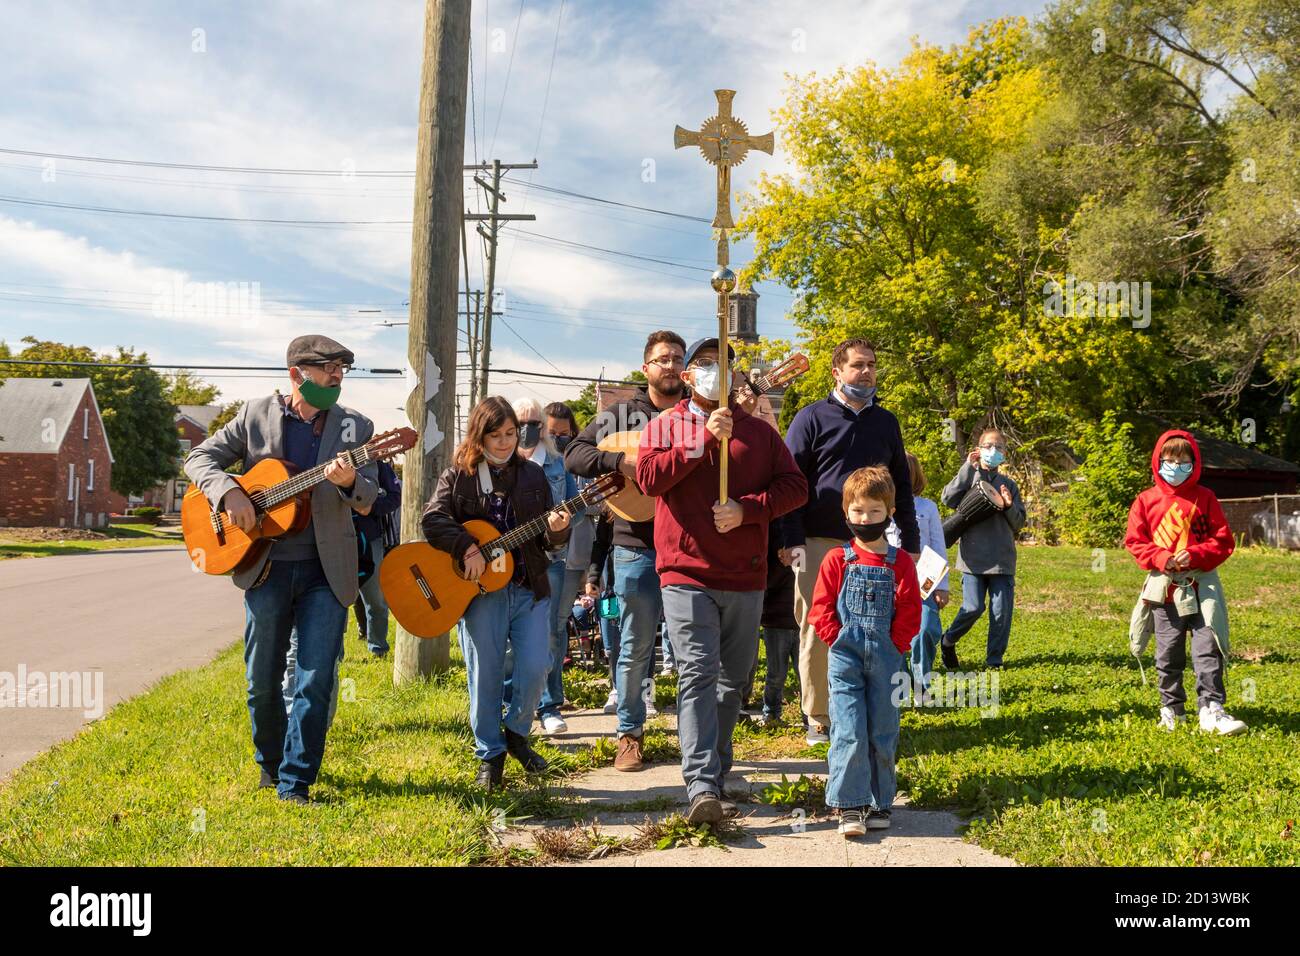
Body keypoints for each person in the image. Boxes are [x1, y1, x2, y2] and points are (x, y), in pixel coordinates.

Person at [184, 334, 378, 805]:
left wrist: (351, 481)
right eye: (327, 368)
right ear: (297, 374)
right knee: (262, 679)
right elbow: (199, 458)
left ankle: (296, 782)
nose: (336, 376)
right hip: (264, 567)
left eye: (341, 369)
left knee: (315, 678)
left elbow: (372, 498)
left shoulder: (357, 426)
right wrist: (228, 493)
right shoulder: (255, 415)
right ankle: (270, 767)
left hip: (325, 571)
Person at [638, 337, 807, 824]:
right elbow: (649, 480)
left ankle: (719, 768)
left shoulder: (760, 432)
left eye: (725, 365)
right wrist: (703, 439)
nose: (717, 372)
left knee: (733, 682)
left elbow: (796, 487)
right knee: (696, 673)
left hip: (745, 575)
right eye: (707, 365)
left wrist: (748, 511)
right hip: (685, 572)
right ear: (689, 377)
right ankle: (701, 785)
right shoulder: (667, 426)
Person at [421, 396, 571, 791]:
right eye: (496, 434)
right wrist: (466, 546)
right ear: (479, 433)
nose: (505, 442)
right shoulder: (460, 474)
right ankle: (490, 754)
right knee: (484, 674)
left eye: (511, 434)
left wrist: (558, 528)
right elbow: (432, 519)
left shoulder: (534, 477)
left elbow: (552, 541)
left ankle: (517, 732)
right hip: (480, 594)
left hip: (529, 586)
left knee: (539, 664)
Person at [784, 337, 920, 746]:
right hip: (817, 540)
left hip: (874, 544)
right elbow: (791, 483)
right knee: (820, 625)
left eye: (872, 366)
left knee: (872, 627)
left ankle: (862, 708)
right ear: (837, 372)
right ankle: (820, 716)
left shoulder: (886, 422)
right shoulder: (810, 418)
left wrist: (910, 539)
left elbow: (903, 487)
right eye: (858, 365)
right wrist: (791, 540)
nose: (867, 372)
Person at [565, 330, 687, 772]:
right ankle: (630, 734)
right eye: (661, 358)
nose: (670, 365)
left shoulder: (697, 413)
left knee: (694, 648)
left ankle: (699, 740)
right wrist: (621, 462)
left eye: (677, 357)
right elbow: (574, 453)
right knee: (635, 645)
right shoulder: (622, 416)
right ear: (646, 366)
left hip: (691, 544)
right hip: (635, 544)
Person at [808, 466, 921, 837]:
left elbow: (909, 611)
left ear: (889, 513)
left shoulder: (900, 561)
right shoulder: (837, 559)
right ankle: (850, 805)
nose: (865, 518)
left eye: (874, 511)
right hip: (845, 658)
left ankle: (879, 801)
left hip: (887, 658)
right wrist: (836, 636)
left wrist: (897, 644)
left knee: (882, 730)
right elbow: (820, 608)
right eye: (858, 511)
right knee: (849, 729)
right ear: (846, 514)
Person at [1124, 430, 1244, 735]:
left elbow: (1223, 541)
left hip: (1202, 586)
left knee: (1207, 647)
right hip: (1164, 590)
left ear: (1194, 463)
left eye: (1183, 462)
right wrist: (1161, 558)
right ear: (1158, 461)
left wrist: (1195, 554)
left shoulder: (1205, 498)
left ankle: (1211, 709)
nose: (1175, 468)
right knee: (1168, 651)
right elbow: (1135, 541)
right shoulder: (1145, 500)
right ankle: (1172, 709)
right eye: (1169, 461)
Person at [510, 397, 579, 735]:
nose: (526, 430)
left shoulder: (557, 463)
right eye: (519, 423)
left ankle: (549, 705)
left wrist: (561, 524)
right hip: (504, 563)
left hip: (549, 560)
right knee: (507, 635)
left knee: (549, 633)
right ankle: (510, 705)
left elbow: (572, 509)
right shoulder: (497, 462)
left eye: (533, 423)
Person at [938, 427, 1025, 670]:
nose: (993, 451)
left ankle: (994, 661)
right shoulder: (969, 477)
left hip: (1002, 560)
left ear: (1005, 454)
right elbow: (948, 499)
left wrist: (1008, 506)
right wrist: (967, 468)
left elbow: (1019, 523)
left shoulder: (1009, 484)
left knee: (1001, 613)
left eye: (998, 447)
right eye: (988, 446)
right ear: (978, 449)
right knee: (973, 607)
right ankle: (948, 640)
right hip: (972, 559)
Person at [898, 453, 949, 701]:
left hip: (924, 580)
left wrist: (943, 586)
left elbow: (938, 547)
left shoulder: (927, 508)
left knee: (927, 628)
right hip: (892, 582)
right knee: (893, 634)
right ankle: (899, 681)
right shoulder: (881, 508)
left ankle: (921, 683)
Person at [352, 458, 402, 657]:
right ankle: (334, 654)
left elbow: (395, 495)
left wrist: (371, 507)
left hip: (369, 539)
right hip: (331, 541)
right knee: (332, 601)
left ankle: (378, 648)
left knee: (376, 600)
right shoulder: (325, 452)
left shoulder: (374, 461)